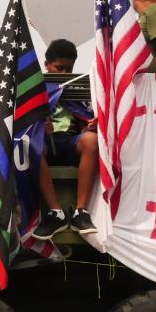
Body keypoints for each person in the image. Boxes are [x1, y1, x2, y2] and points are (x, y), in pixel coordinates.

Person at [32, 39, 100, 240]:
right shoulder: (35, 89)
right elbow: (22, 124)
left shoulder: (77, 87)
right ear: (46, 65)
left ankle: (81, 212)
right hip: (45, 145)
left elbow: (87, 117)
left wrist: (91, 124)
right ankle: (56, 213)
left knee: (91, 140)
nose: (63, 73)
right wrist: (39, 128)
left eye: (68, 69)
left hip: (70, 142)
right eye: (58, 68)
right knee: (31, 145)